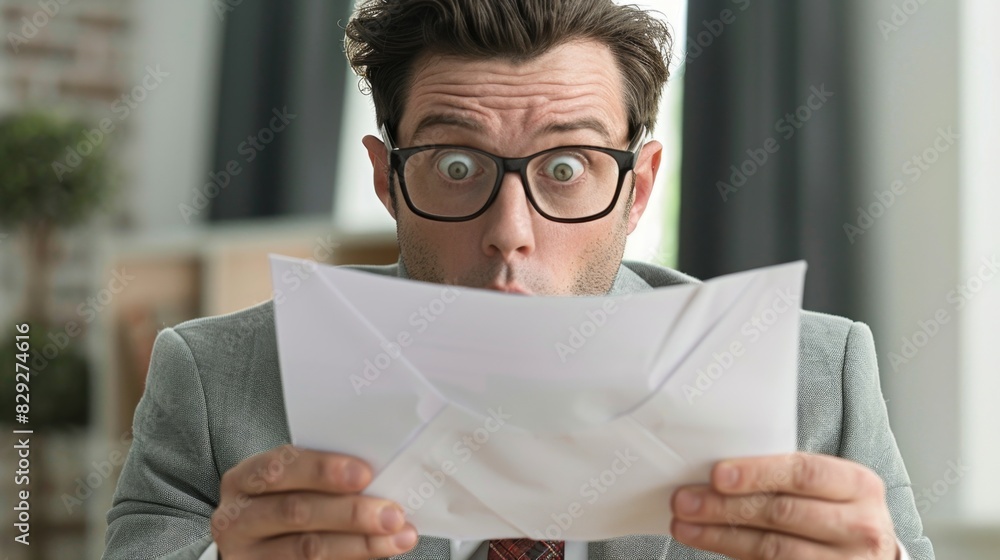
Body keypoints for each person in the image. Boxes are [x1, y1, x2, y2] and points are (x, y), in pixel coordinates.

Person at [103, 1, 935, 559]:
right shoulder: (212, 383)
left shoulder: (816, 381)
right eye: (456, 164)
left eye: (567, 166)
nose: (510, 234)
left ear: (638, 189)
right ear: (388, 180)